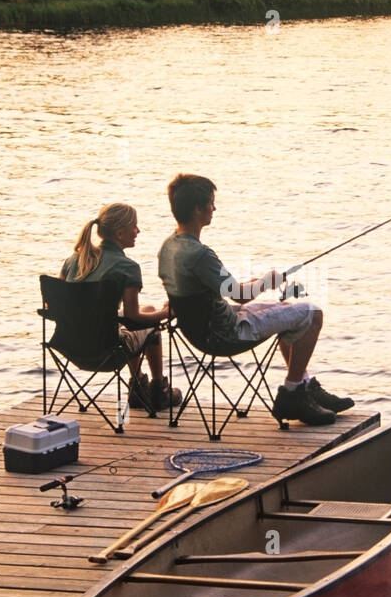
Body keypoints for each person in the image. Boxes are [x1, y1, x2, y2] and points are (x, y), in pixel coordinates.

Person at [158, 174, 353, 427]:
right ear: (197, 209)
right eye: (211, 203)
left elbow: (217, 289)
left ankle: (304, 385)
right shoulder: (200, 254)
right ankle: (293, 394)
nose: (214, 208)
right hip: (226, 333)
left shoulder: (168, 247)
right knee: (312, 313)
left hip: (199, 330)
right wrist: (266, 281)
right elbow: (240, 295)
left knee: (286, 309)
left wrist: (255, 280)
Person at [61, 202, 181, 413]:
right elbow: (134, 317)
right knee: (151, 324)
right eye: (134, 227)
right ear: (119, 232)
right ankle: (158, 391)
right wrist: (165, 313)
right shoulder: (127, 268)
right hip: (107, 351)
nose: (138, 231)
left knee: (147, 309)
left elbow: (53, 305)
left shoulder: (73, 260)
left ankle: (139, 385)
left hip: (71, 347)